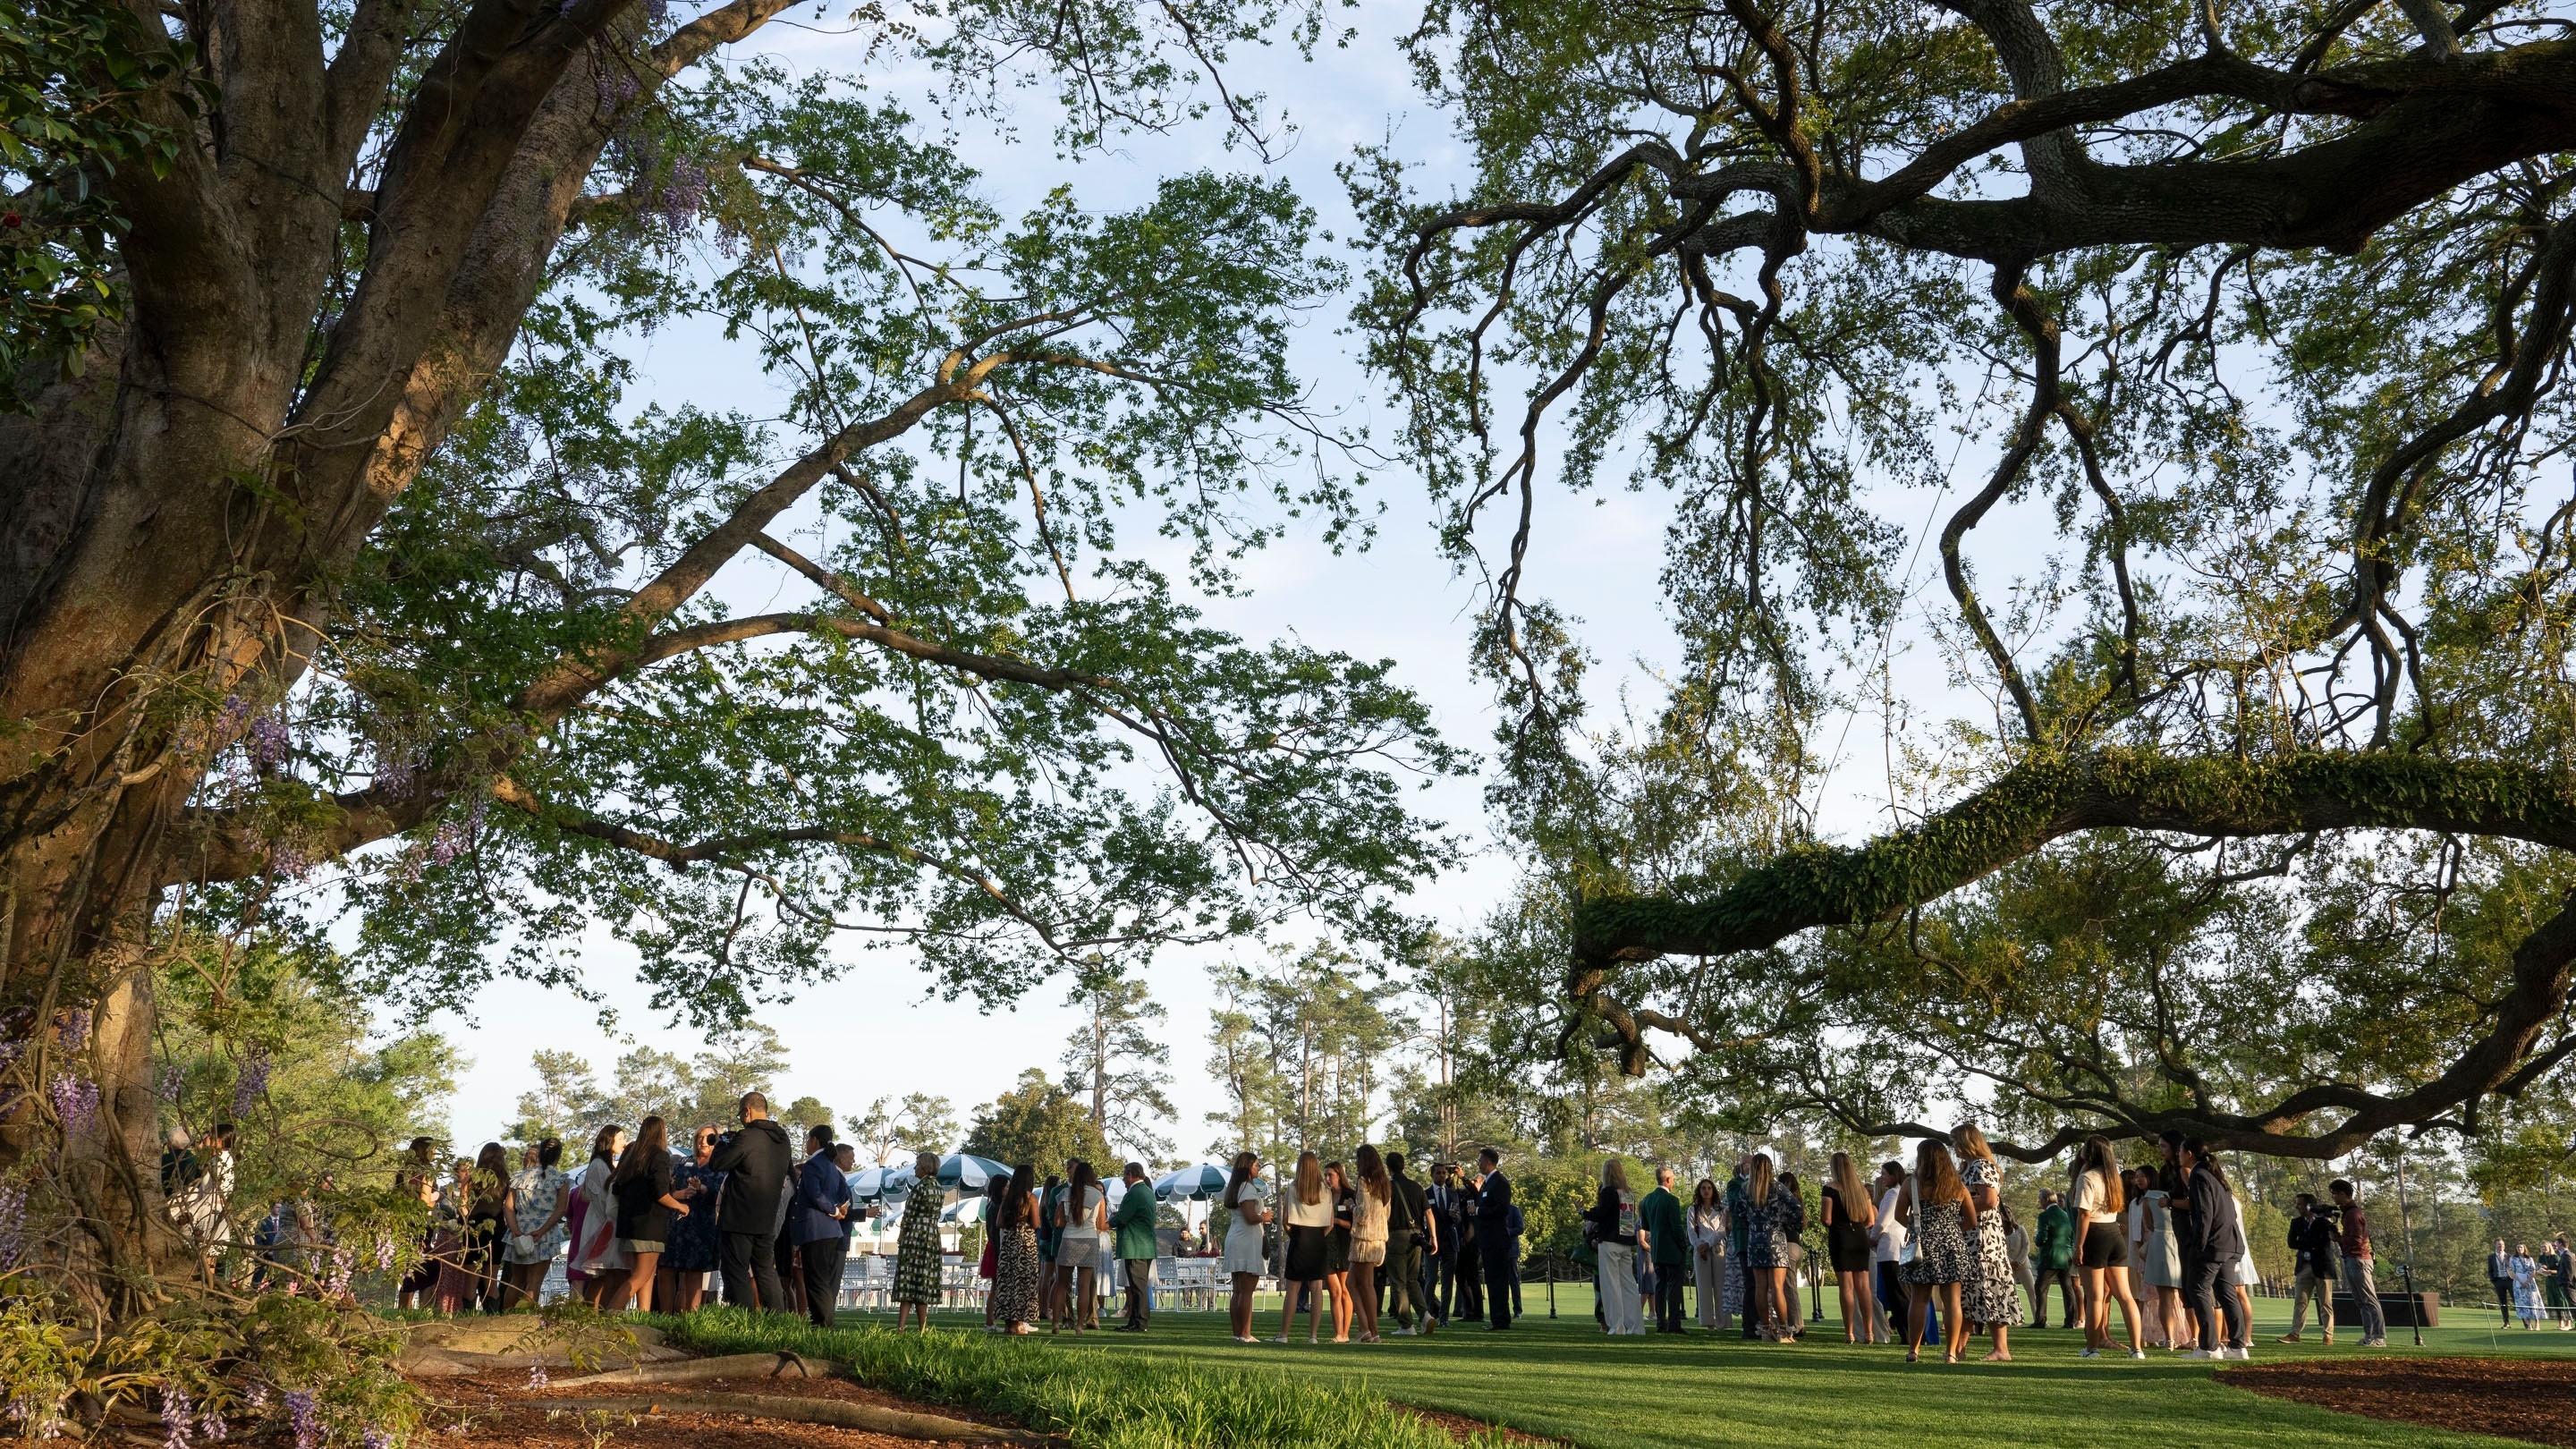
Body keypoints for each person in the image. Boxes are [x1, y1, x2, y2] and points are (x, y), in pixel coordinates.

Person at [707, 1092, 795, 1313]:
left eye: (741, 1114)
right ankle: (778, 1318)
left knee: (735, 1271)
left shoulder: (748, 1137)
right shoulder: (782, 1139)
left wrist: (720, 1144)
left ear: (747, 1111)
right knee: (765, 1270)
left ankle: (744, 1318)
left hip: (739, 1217)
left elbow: (719, 1163)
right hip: (767, 1217)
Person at [1897, 1139, 1974, 1364]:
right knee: (1952, 1301)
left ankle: (1914, 1350)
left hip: (1922, 1245)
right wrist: (1951, 1230)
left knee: (1919, 1299)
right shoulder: (1957, 1186)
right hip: (1952, 1245)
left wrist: (1917, 1227)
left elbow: (1899, 1215)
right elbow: (1970, 1219)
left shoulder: (1912, 1184)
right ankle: (1951, 1352)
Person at [2070, 1134, 2144, 1359]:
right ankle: (2136, 1349)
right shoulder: (2114, 1179)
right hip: (2114, 1235)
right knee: (2125, 1295)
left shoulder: (2088, 1177)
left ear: (2090, 1153)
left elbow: (2084, 1213)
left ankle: (2092, 1348)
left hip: (2095, 1234)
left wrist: (2078, 1246)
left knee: (2094, 1297)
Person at [609, 1116, 692, 1312]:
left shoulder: (632, 1157)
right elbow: (661, 1193)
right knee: (640, 1275)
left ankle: (643, 1315)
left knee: (646, 1274)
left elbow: (617, 1190)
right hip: (650, 1225)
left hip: (629, 1225)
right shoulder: (659, 1156)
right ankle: (609, 1314)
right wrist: (681, 1206)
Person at [2178, 1139, 2250, 1359]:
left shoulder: (2198, 1176)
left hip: (2213, 1244)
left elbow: (2204, 1213)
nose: (2179, 1155)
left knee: (2197, 1289)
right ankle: (2238, 1347)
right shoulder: (2217, 1177)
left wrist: (2199, 1243)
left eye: (2181, 1151)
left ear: (2189, 1154)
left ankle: (2209, 1347)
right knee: (2226, 1292)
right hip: (2229, 1243)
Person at [783, 1125, 848, 1327]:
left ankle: (821, 1322)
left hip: (815, 1230)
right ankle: (825, 1321)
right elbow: (843, 1195)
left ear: (815, 1141)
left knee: (815, 1280)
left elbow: (814, 1194)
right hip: (830, 1231)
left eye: (808, 1140)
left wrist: (834, 1211)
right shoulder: (832, 1166)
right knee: (821, 1281)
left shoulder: (813, 1165)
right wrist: (838, 1208)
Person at [500, 1137, 570, 1309]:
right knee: (534, 1282)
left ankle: (505, 1317)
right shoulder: (560, 1180)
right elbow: (561, 1209)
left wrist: (515, 1230)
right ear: (558, 1156)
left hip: (520, 1230)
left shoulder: (520, 1177)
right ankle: (525, 1320)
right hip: (545, 1235)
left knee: (516, 1279)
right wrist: (542, 1230)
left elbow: (508, 1207)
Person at [661, 1126, 726, 1312]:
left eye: (708, 1137)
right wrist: (678, 1194)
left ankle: (691, 1317)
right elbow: (665, 1190)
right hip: (676, 1224)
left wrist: (703, 1188)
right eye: (700, 1136)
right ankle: (664, 1316)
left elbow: (722, 1194)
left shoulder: (720, 1165)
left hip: (702, 1225)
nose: (703, 1141)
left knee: (694, 1272)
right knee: (666, 1269)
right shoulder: (683, 1162)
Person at [1741, 1154, 1804, 1342]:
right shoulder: (1777, 1187)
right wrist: (1782, 1221)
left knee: (1760, 1287)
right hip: (1775, 1239)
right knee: (1777, 1287)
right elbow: (1796, 1208)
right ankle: (1784, 1331)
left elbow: (1739, 1212)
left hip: (1755, 1239)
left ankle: (1766, 1329)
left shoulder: (1746, 1189)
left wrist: (1753, 1223)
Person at [1821, 1152, 1876, 1343]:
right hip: (1860, 1237)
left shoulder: (1830, 1189)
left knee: (1846, 1287)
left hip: (1841, 1237)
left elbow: (1826, 1219)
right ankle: (1869, 1332)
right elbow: (1870, 1220)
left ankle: (1849, 1332)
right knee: (1864, 1287)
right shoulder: (1861, 1190)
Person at [1588, 1157, 1645, 1335]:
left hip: (1610, 1242)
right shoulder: (1627, 1192)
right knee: (1628, 1285)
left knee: (1611, 1286)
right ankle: (1636, 1326)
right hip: (1625, 1242)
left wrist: (1583, 1212)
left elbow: (1601, 1214)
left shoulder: (1608, 1191)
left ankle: (1617, 1326)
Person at [2327, 1179, 2387, 1347]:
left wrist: (2338, 1238)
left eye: (2334, 1194)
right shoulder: (2348, 1213)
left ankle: (2379, 1336)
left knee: (2369, 1299)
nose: (2333, 1197)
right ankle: (2369, 1336)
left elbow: (2356, 1239)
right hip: (2353, 1258)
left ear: (2342, 1194)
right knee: (2361, 1301)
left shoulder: (2353, 1214)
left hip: (2359, 1259)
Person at [571, 1126, 627, 1306]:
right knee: (600, 1275)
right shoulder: (598, 1165)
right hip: (600, 1223)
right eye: (620, 1139)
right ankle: (593, 1314)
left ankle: (593, 1314)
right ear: (610, 1141)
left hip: (602, 1222)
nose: (623, 1143)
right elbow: (603, 1200)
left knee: (601, 1277)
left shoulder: (605, 1164)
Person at [2128, 1166, 2183, 1349]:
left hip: (2160, 1241)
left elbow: (2149, 1225)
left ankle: (2170, 1339)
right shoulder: (2180, 1198)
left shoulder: (2148, 1199)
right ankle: (2193, 1336)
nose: (2138, 1180)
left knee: (2164, 1296)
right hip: (2179, 1240)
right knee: (2183, 1294)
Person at [1221, 1151, 1271, 1343]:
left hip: (1235, 1237)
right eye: (1256, 1165)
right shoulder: (1248, 1189)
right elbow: (1251, 1217)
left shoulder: (1235, 1188)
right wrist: (1264, 1217)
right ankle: (1246, 1333)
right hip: (1248, 1240)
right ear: (1248, 1167)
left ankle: (1237, 1332)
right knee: (1247, 1289)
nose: (1258, 1168)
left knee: (1238, 1289)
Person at [1053, 1160, 1108, 1335]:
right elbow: (1100, 1224)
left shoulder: (1065, 1193)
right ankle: (1079, 1326)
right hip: (1089, 1240)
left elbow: (1058, 1222)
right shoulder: (1098, 1195)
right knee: (1084, 1286)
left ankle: (1055, 1324)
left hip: (1068, 1239)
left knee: (1061, 1285)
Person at [1347, 1145, 1393, 1343]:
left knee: (1364, 1284)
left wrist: (1351, 1207)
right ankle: (1366, 1328)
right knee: (1354, 1283)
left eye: (1357, 1159)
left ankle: (1371, 1331)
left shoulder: (1364, 1181)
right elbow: (1387, 1212)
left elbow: (1364, 1213)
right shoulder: (1384, 1184)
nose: (1356, 1162)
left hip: (1365, 1238)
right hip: (1379, 1238)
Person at [991, 1163, 1042, 1334]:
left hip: (1009, 1242)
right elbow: (1036, 1223)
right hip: (1025, 1242)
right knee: (1023, 1282)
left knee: (1007, 1281)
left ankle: (1008, 1324)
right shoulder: (1031, 1198)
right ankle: (1018, 1323)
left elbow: (999, 1223)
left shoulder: (1008, 1198)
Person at [1869, 1161, 1916, 1346]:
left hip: (1890, 1248)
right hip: (1902, 1246)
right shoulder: (1905, 1193)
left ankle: (1907, 1334)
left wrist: (1872, 1237)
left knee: (1898, 1294)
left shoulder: (1892, 1194)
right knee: (1904, 1292)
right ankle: (1911, 1332)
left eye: (1885, 1174)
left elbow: (1883, 1221)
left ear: (1894, 1175)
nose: (1882, 1178)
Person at [2282, 1194, 2338, 1344]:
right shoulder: (2296, 1222)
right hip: (2303, 1266)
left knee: (2325, 1303)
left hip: (2322, 1267)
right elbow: (2292, 1243)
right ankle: (2295, 1333)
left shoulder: (2323, 1223)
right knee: (2300, 1301)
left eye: (2299, 1204)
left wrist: (2303, 1240)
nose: (2297, 1207)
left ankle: (2328, 1335)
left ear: (2308, 1206)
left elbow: (2321, 1242)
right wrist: (2309, 1242)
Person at [1637, 1165, 1688, 1333]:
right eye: (1672, 1179)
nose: (1673, 1182)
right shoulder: (1671, 1200)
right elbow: (1676, 1227)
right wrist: (1683, 1245)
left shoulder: (1647, 1200)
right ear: (1667, 1180)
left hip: (1657, 1249)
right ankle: (1674, 1324)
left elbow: (1645, 1225)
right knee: (1674, 1287)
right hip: (1672, 1249)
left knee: (1660, 1286)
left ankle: (1660, 1323)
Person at [1384, 1151, 1428, 1335]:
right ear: (1404, 1166)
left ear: (1389, 1167)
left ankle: (1406, 1325)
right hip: (1417, 1236)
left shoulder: (1388, 1187)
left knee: (1398, 1282)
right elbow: (1429, 1213)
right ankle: (1425, 1315)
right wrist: (1432, 1237)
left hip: (1396, 1236)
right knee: (1413, 1280)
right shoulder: (1417, 1187)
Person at [1111, 1162, 1157, 1332]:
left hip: (1135, 1246)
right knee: (1139, 1286)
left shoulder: (1134, 1192)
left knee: (1137, 1287)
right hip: (1145, 1246)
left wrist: (1107, 1222)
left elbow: (1123, 1218)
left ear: (1130, 1174)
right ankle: (1134, 1321)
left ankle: (1140, 1323)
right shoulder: (1147, 1191)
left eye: (1124, 1175)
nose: (1124, 1179)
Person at [395, 1137, 441, 1310]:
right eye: (433, 1149)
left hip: (405, 1224)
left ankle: (403, 1310)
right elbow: (424, 1203)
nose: (435, 1153)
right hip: (422, 1225)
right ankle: (423, 1312)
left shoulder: (404, 1171)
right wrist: (436, 1197)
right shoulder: (427, 1172)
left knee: (408, 1266)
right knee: (430, 1269)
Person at [431, 1157, 480, 1314]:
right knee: (443, 1274)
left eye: (469, 1170)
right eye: (462, 1170)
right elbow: (429, 1204)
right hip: (445, 1237)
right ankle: (439, 1309)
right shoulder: (446, 1189)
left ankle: (458, 1310)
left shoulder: (475, 1193)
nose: (466, 1173)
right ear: (456, 1171)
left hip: (463, 1238)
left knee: (460, 1276)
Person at [463, 1141, 509, 1311]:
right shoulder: (505, 1180)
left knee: (470, 1279)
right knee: (491, 1280)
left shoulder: (471, 1179)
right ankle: (493, 1317)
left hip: (474, 1230)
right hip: (496, 1230)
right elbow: (509, 1207)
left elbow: (463, 1206)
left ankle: (467, 1318)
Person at [1473, 1148, 1515, 1329]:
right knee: (1492, 1281)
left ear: (1489, 1161)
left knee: (1498, 1281)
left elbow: (1502, 1209)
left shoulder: (1500, 1182)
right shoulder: (1487, 1183)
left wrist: (1478, 1211)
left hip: (1497, 1240)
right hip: (1488, 1240)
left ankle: (1500, 1320)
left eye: (1480, 1160)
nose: (1478, 1163)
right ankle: (1498, 1319)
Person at [2031, 1189, 2078, 1329]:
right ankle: (2070, 1321)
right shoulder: (2065, 1215)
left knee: (2040, 1288)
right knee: (2068, 1289)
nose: (2039, 1202)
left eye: (2040, 1199)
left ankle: (2040, 1320)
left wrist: (2036, 1239)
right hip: (2066, 1257)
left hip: (2050, 1257)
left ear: (2046, 1199)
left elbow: (2042, 1238)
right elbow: (2071, 1236)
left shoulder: (2044, 1216)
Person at [1689, 1177, 1728, 1331]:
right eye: (1703, 1188)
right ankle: (1707, 1321)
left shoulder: (1720, 1210)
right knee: (1703, 1286)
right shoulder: (1693, 1210)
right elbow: (1691, 1231)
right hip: (1700, 1251)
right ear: (1699, 1191)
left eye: (1709, 1188)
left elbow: (1722, 1230)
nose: (1706, 1191)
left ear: (1713, 1191)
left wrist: (1708, 1243)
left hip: (1717, 1248)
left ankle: (1722, 1322)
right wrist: (1700, 1246)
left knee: (1720, 1286)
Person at [2509, 1243, 2542, 1326]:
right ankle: (2528, 1323)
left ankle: (2537, 1323)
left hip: (2530, 1281)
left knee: (2533, 1301)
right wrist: (2520, 1281)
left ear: (2524, 1248)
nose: (2519, 1248)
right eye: (2518, 1247)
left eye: (2521, 1247)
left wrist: (2527, 1282)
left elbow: (2533, 1271)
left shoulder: (2529, 1259)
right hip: (2518, 1280)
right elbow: (2512, 1271)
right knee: (2522, 1303)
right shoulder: (2513, 1259)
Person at [2489, 1238, 2517, 1327]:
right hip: (2499, 1281)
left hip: (2509, 1280)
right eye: (2499, 1244)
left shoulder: (2509, 1256)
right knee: (2503, 1302)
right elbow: (2490, 1270)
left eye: (2502, 1245)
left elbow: (2514, 1269)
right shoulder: (2491, 1257)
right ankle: (2506, 1322)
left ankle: (2526, 1322)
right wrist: (2493, 1280)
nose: (2501, 1246)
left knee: (2516, 1300)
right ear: (2496, 1245)